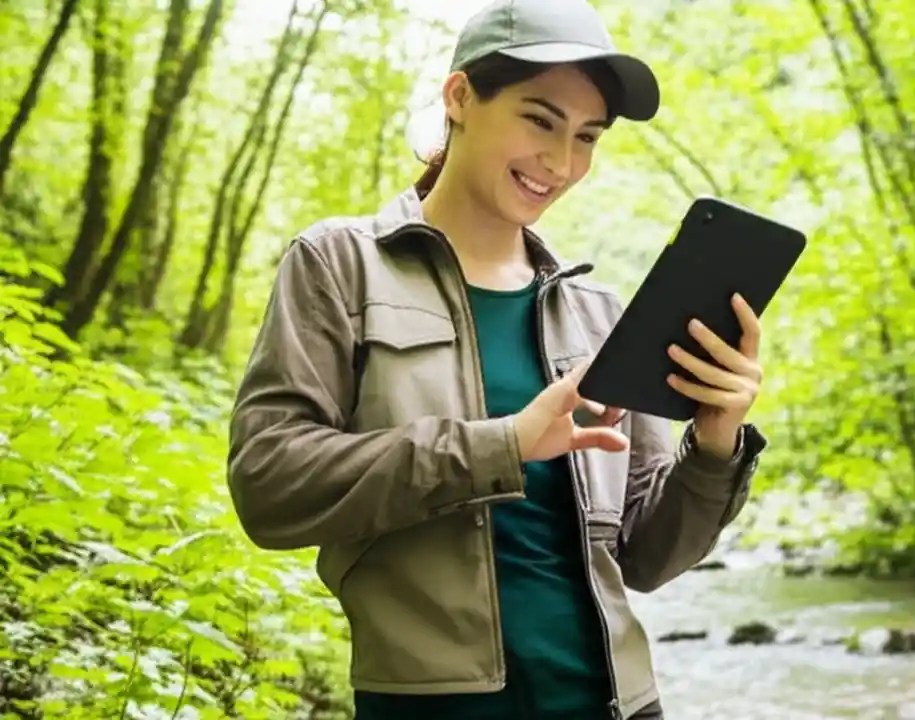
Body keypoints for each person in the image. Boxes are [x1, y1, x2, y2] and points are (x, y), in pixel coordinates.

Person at [225, 1, 768, 718]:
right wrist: (502, 445)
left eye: (587, 137)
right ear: (459, 98)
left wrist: (716, 443)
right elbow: (269, 487)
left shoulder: (599, 316)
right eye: (539, 120)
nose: (562, 162)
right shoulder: (338, 265)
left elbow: (646, 556)